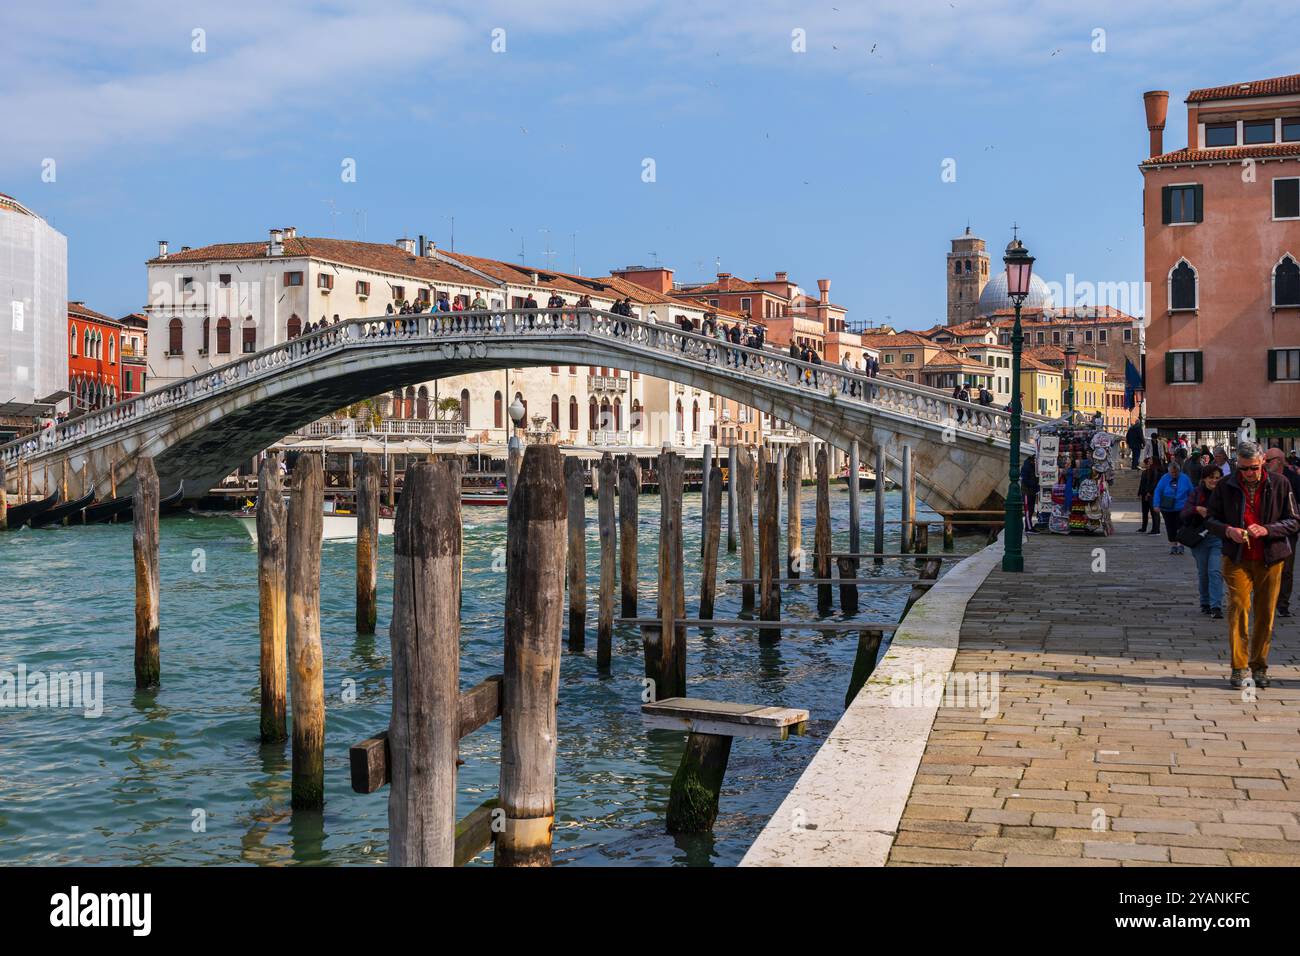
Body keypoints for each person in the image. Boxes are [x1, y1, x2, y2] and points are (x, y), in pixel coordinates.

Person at [1206, 439, 1300, 688]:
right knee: (1238, 607)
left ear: (1263, 464)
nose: (1249, 474)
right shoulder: (1226, 485)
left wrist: (1267, 530)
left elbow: (1293, 521)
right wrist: (1228, 530)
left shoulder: (1280, 484)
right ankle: (1238, 667)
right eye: (1244, 469)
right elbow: (1211, 518)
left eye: (1254, 468)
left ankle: (1259, 666)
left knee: (1265, 613)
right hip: (1237, 557)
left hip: (1270, 558)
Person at [1181, 463, 1225, 618]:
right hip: (1199, 538)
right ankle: (1205, 602)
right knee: (1203, 573)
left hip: (1218, 538)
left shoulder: (1225, 494)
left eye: (1217, 478)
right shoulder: (1197, 493)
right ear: (1204, 479)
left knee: (1215, 571)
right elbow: (1184, 513)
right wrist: (1197, 509)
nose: (1214, 481)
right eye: (1211, 478)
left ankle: (1216, 606)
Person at [1265, 447, 1300, 618]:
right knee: (1268, 567)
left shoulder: (1293, 478)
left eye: (1268, 460)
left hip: (1288, 530)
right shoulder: (1264, 478)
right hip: (1268, 528)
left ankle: (1283, 603)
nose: (1265, 464)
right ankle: (1269, 600)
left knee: (1286, 569)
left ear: (1278, 460)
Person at [1153, 460, 1194, 554]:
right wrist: (1156, 504)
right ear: (1169, 471)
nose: (1174, 474)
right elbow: (1158, 491)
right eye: (1172, 472)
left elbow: (1191, 492)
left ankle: (1180, 545)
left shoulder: (1185, 478)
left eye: (1176, 472)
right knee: (1170, 527)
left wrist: (1191, 504)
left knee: (1181, 526)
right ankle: (1173, 545)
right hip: (1167, 508)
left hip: (1181, 507)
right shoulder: (1164, 478)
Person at [1020, 453, 1038, 532]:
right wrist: (1034, 485)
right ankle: (1028, 527)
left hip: (1032, 491)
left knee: (1030, 510)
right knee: (1028, 510)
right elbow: (1025, 479)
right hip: (1027, 491)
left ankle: (1029, 526)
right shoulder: (1027, 467)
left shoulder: (1032, 466)